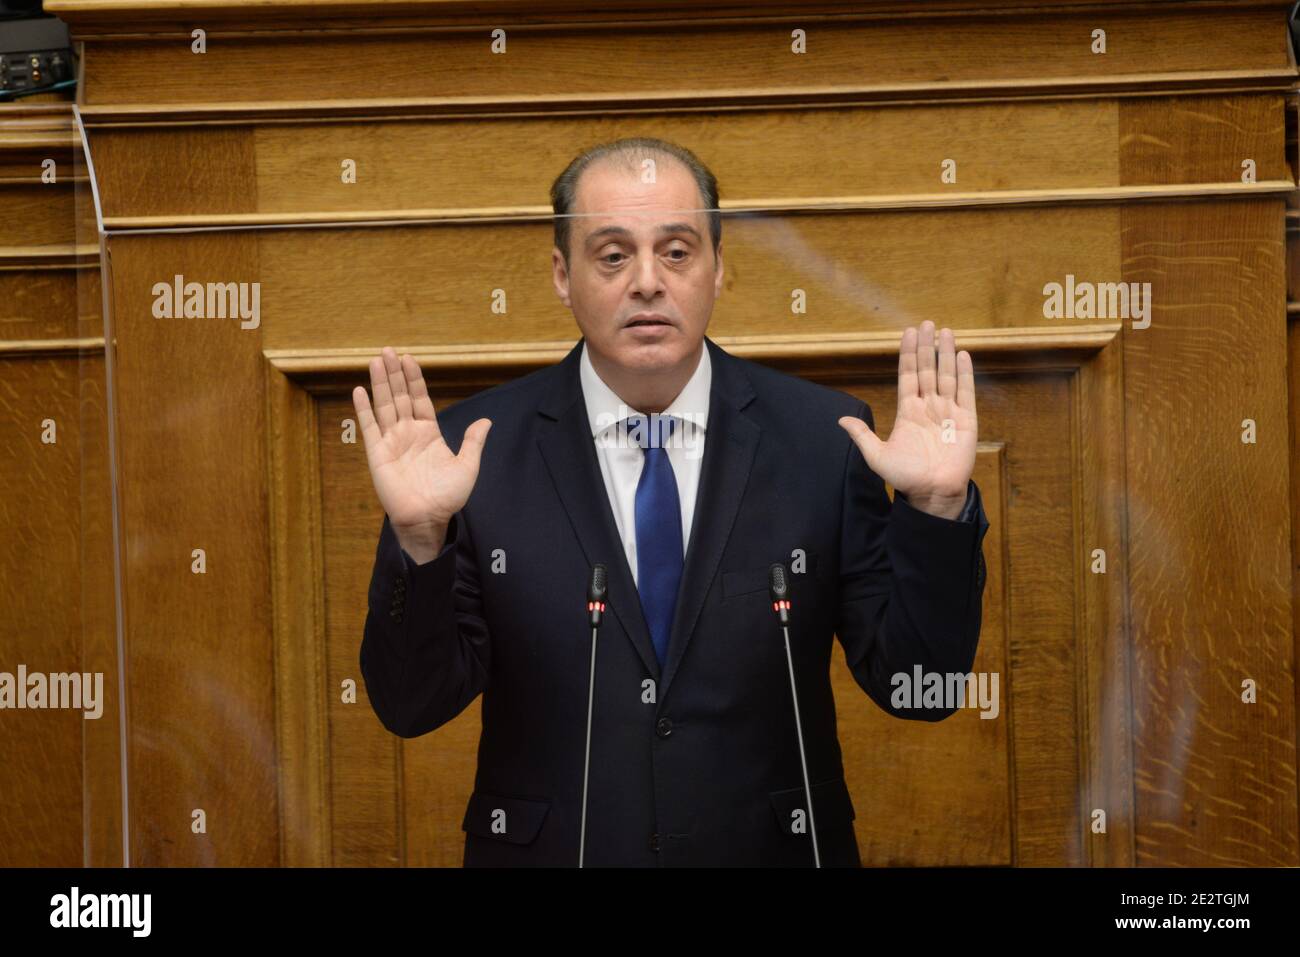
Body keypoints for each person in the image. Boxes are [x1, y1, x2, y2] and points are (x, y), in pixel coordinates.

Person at [353, 137, 989, 866]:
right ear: (563, 274)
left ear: (720, 268)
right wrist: (422, 540)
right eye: (613, 254)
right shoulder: (471, 452)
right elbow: (409, 705)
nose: (648, 282)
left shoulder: (822, 440)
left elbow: (920, 689)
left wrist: (936, 511)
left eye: (678, 251)